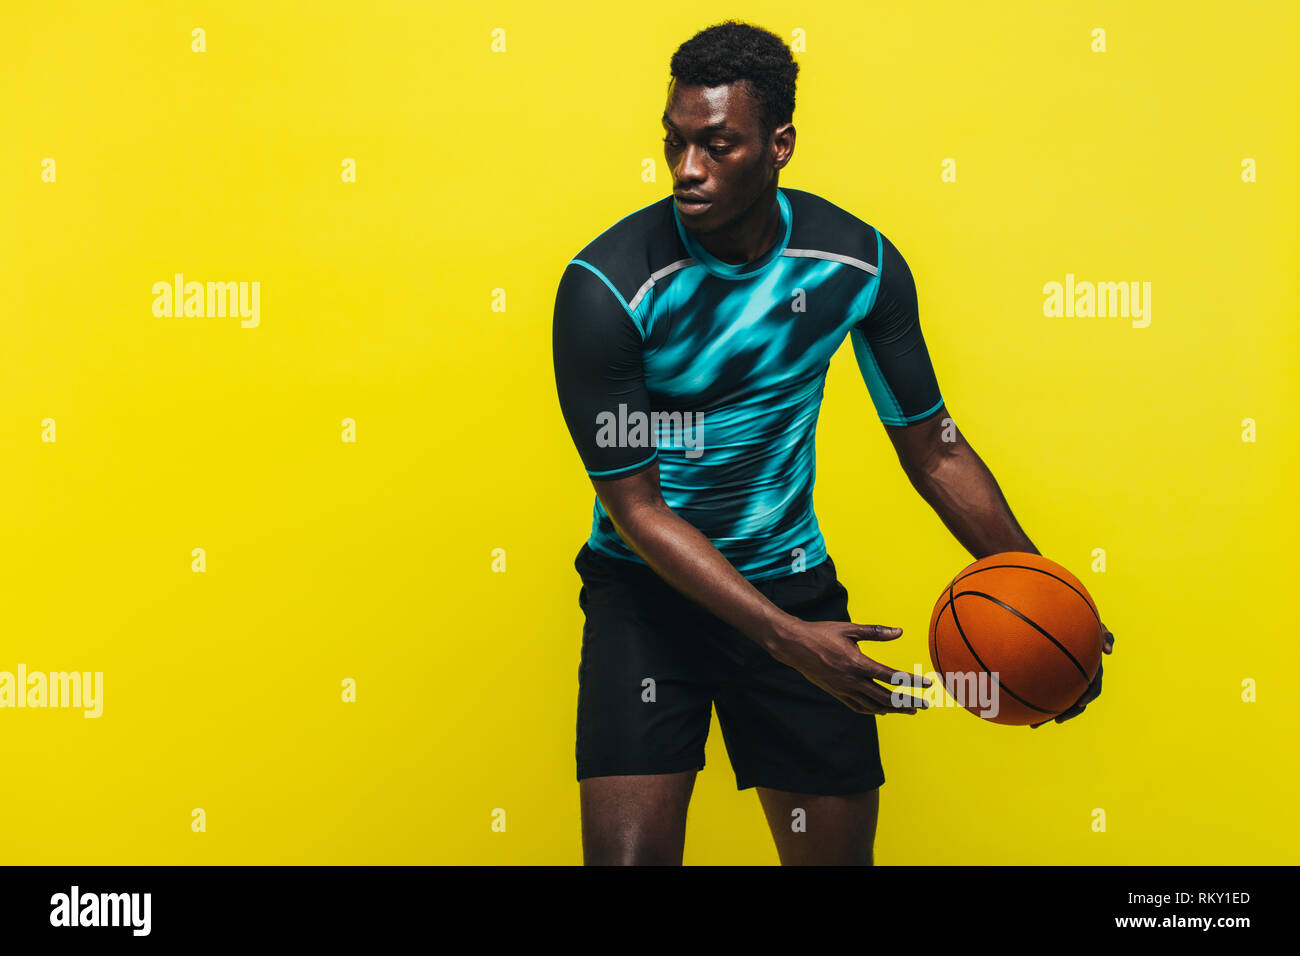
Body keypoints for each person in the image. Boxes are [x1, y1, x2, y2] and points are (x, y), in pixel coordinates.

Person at [551, 19, 1113, 866]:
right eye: (673, 144)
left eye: (716, 145)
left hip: (792, 581)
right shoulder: (606, 289)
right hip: (649, 597)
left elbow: (935, 449)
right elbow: (635, 507)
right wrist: (784, 640)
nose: (687, 170)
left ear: (780, 146)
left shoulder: (853, 263)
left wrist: (1044, 597)